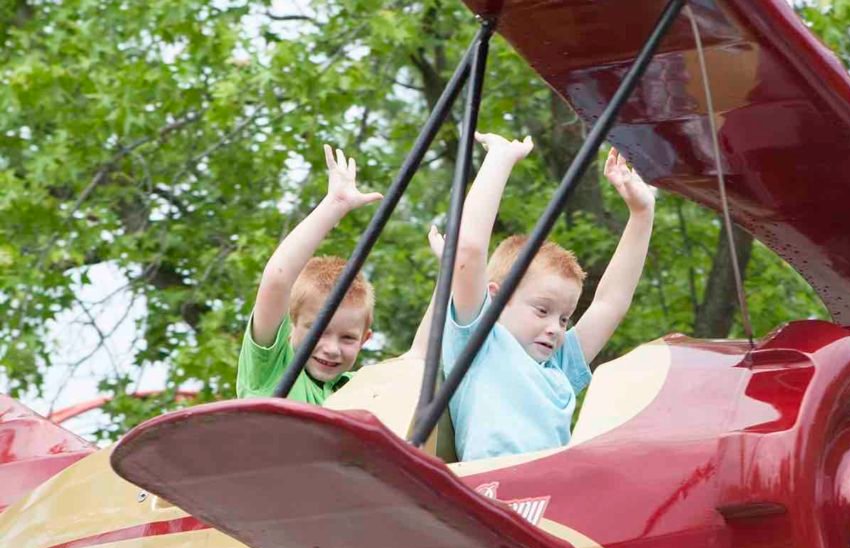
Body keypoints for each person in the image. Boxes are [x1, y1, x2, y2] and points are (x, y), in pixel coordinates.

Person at [443, 132, 656, 461]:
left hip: (547, 496)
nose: (556, 328)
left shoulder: (556, 365)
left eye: (563, 318)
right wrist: (499, 160)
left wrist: (642, 215)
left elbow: (609, 304)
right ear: (497, 299)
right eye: (542, 310)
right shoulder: (480, 340)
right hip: (492, 489)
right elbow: (468, 251)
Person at [237, 145, 439, 404]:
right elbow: (277, 280)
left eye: (347, 338)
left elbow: (418, 357)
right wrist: (335, 205)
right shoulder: (271, 370)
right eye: (318, 330)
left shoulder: (356, 391)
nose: (331, 349)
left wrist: (453, 274)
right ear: (290, 325)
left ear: (365, 338)